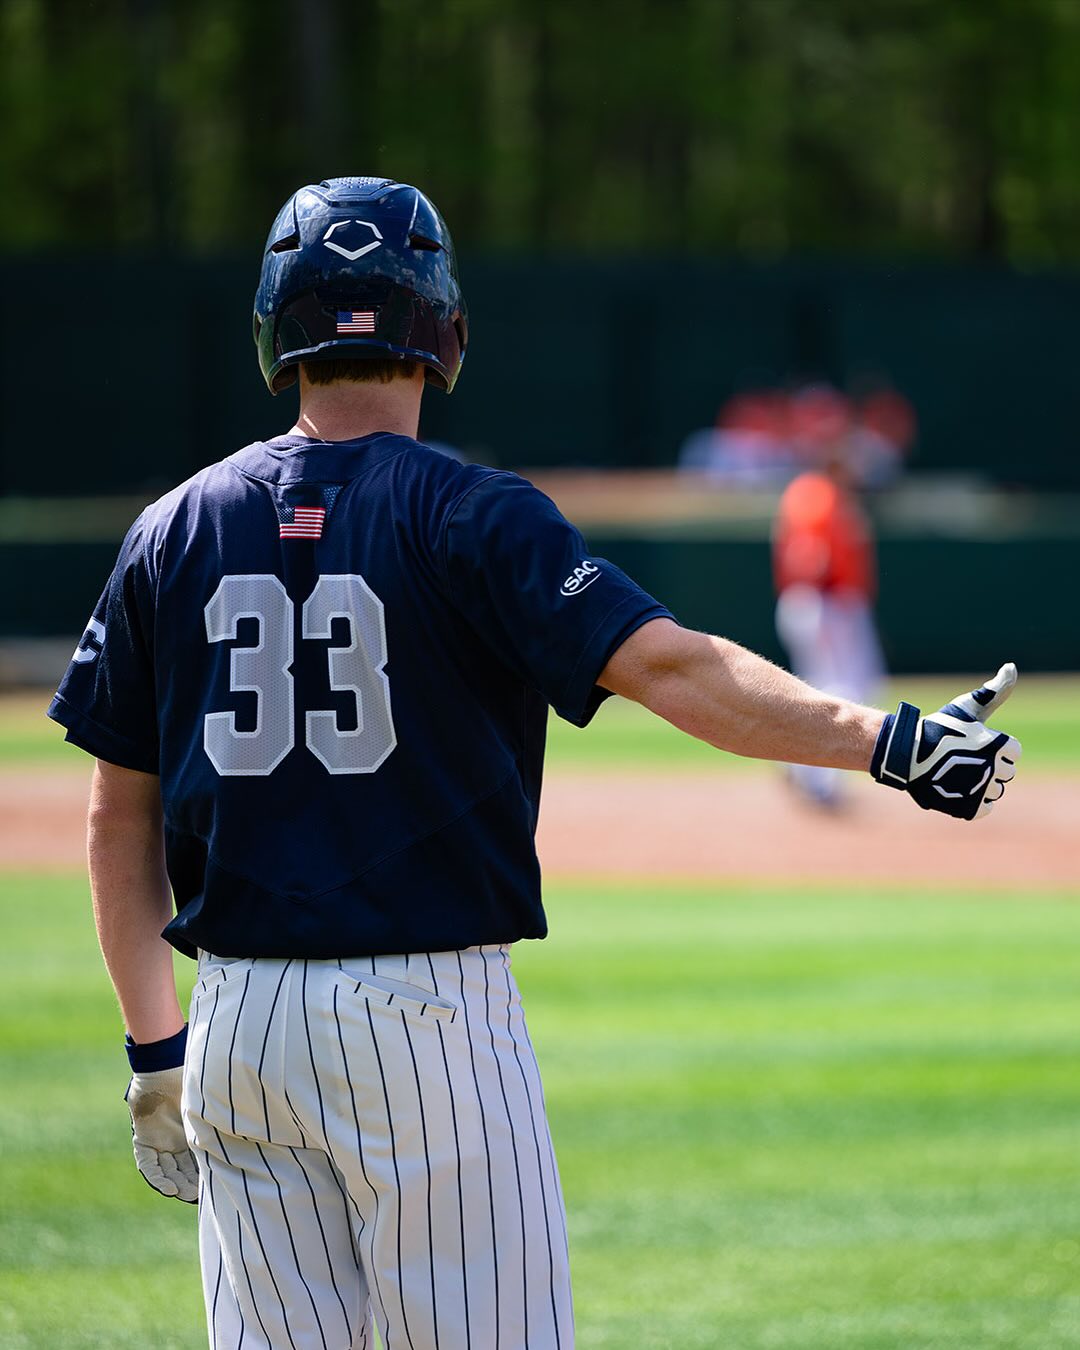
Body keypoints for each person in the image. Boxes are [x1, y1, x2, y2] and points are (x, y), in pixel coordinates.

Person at [47, 177, 1021, 1350]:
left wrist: (157, 1049)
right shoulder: (474, 513)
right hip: (423, 1016)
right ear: (439, 323)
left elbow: (118, 821)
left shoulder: (175, 527)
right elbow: (674, 670)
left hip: (236, 1019)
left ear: (275, 322)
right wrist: (885, 739)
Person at [772, 435, 886, 807]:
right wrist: (817, 588)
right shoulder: (817, 493)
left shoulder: (823, 492)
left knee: (845, 689)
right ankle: (818, 779)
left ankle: (800, 763)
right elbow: (809, 554)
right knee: (838, 691)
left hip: (826, 602)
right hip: (825, 602)